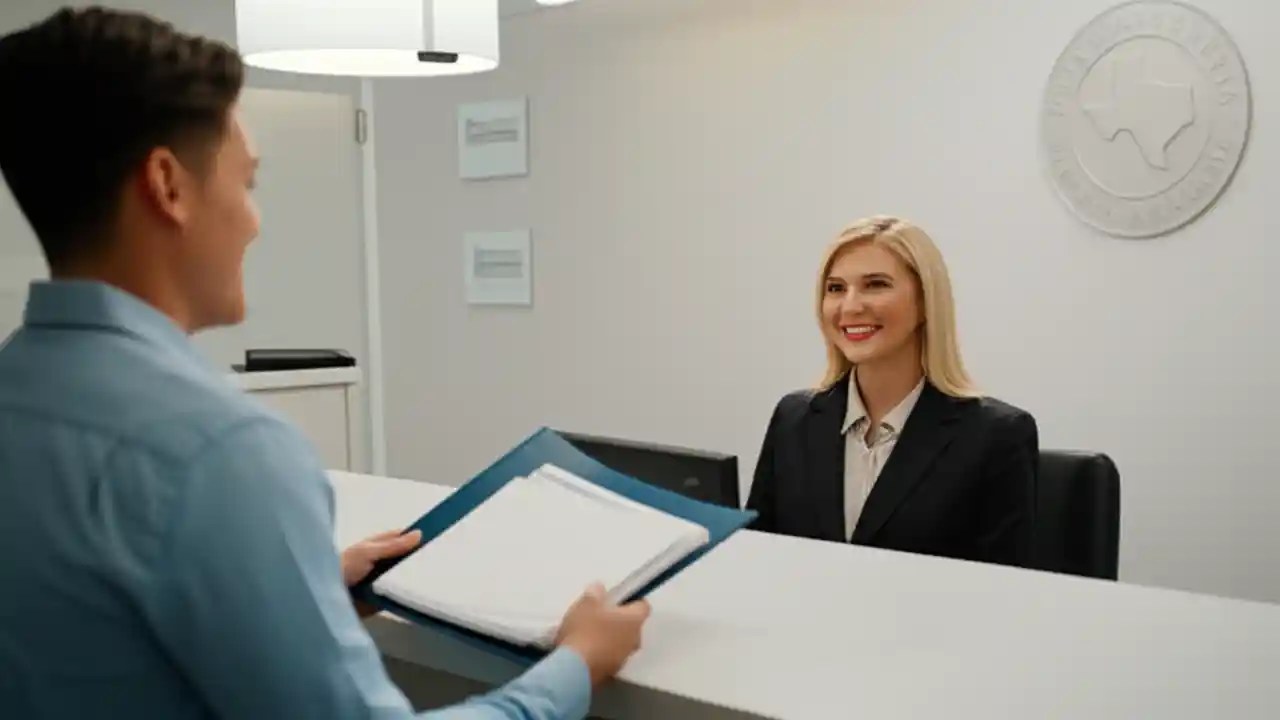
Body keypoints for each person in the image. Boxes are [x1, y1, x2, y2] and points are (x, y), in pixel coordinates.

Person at [0, 7, 648, 719]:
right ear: (168, 185)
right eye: (247, 183)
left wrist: (299, 592)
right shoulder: (222, 451)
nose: (256, 221)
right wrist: (574, 667)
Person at [746, 216, 1038, 568]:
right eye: (836, 288)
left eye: (875, 285)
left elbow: (1005, 594)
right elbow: (756, 561)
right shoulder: (792, 419)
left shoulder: (997, 436)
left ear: (925, 302)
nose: (850, 306)